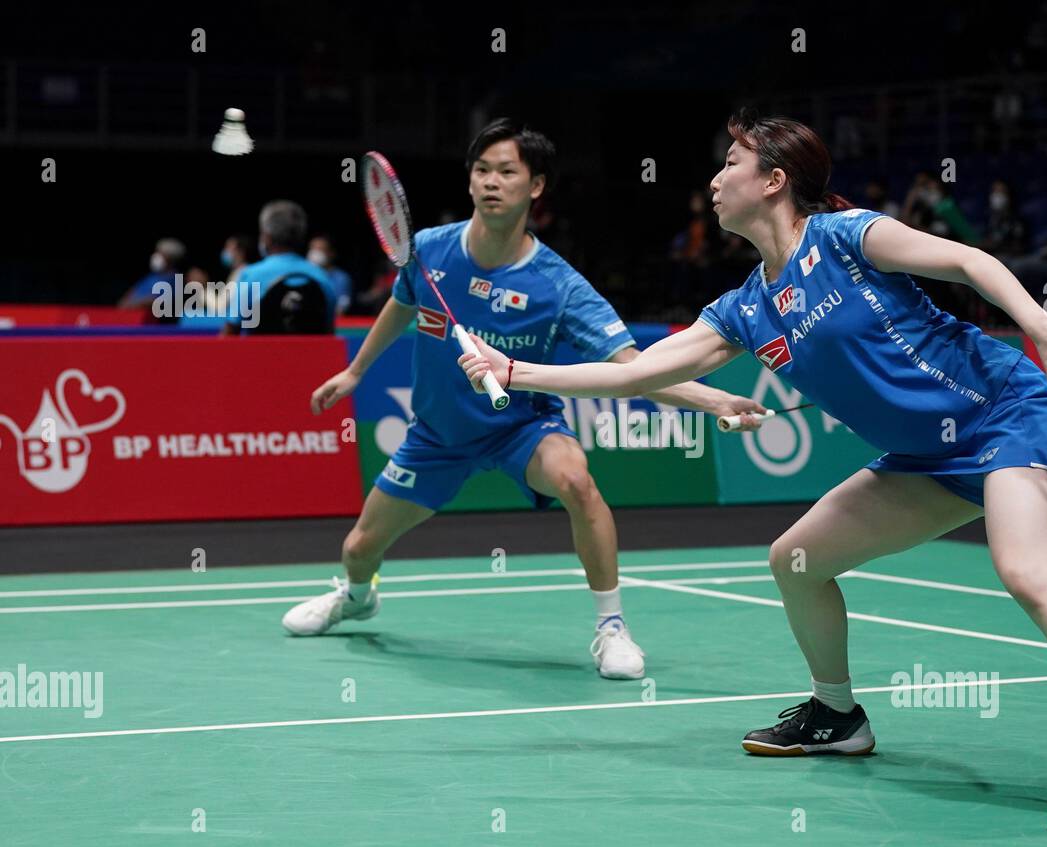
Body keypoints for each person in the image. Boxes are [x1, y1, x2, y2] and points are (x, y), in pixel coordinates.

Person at [460, 108, 1047, 833]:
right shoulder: (746, 306)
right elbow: (638, 374)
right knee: (795, 560)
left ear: (773, 180)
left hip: (1006, 414)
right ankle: (836, 714)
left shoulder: (848, 236)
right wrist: (515, 369)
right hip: (925, 458)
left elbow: (966, 261)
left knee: (1027, 570)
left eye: (728, 164)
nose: (713, 178)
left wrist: (1037, 322)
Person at [283, 118, 764, 680]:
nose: (490, 182)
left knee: (578, 482)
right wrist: (355, 372)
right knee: (359, 547)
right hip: (438, 434)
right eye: (481, 170)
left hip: (522, 428)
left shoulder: (558, 285)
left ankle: (611, 627)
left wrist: (716, 403)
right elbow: (402, 304)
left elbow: (635, 370)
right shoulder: (430, 252)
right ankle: (358, 596)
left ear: (535, 186)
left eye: (506, 171)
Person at [223, 201, 337, 334]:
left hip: (260, 355)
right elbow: (329, 334)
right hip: (310, 355)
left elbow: (230, 334)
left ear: (267, 237)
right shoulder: (322, 277)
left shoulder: (250, 275)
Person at [118, 237, 186, 317]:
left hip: (151, 322)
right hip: (131, 317)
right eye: (157, 252)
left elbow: (161, 301)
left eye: (161, 254)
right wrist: (125, 302)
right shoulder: (150, 276)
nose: (156, 256)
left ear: (171, 258)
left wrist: (137, 304)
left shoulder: (176, 279)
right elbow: (129, 295)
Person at [308, 235, 354, 315]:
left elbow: (342, 306)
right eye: (313, 249)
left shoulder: (341, 278)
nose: (315, 253)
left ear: (332, 253)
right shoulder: (305, 275)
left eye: (320, 250)